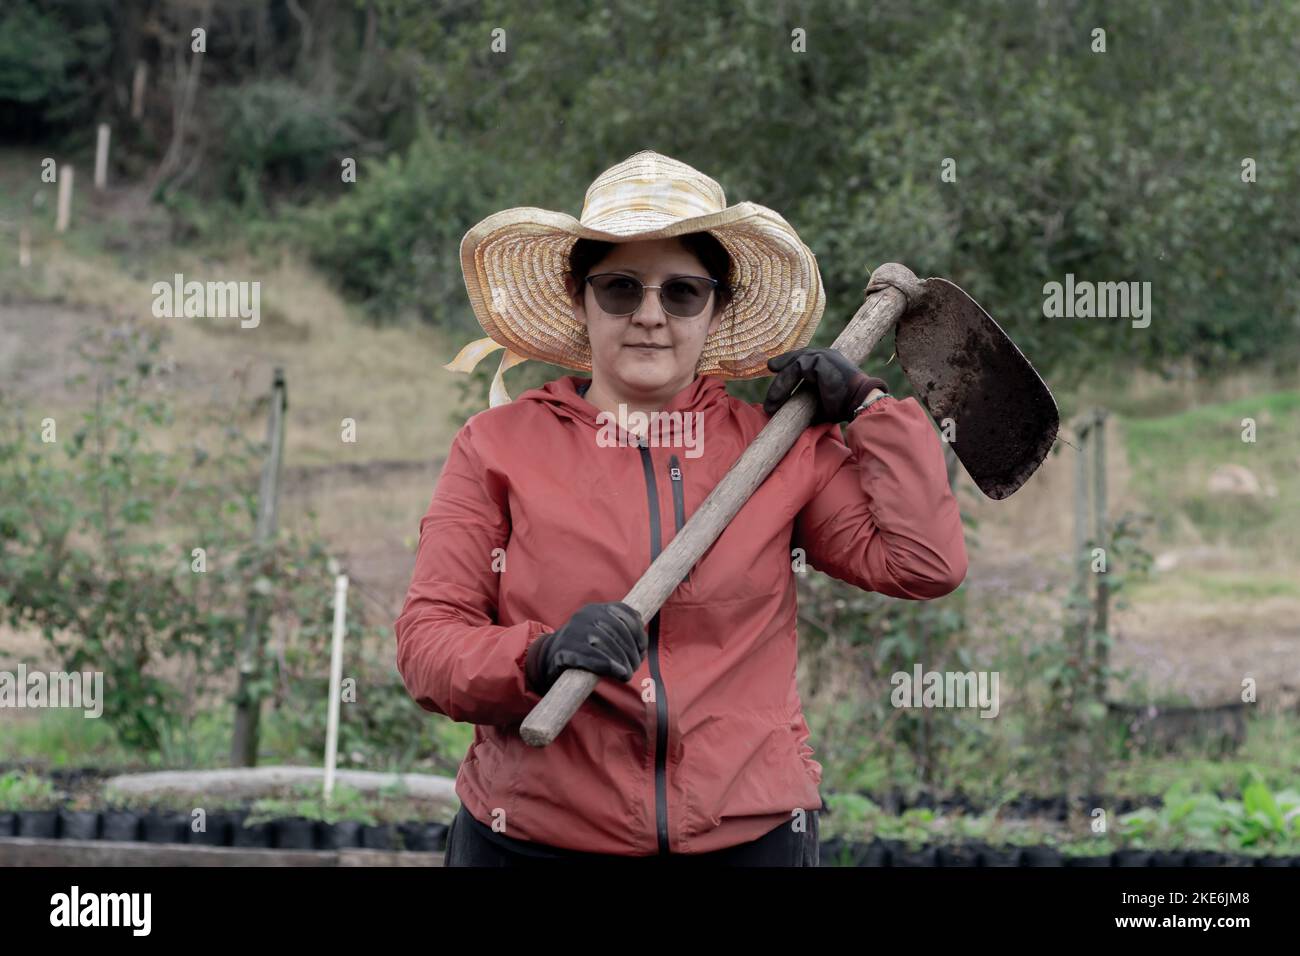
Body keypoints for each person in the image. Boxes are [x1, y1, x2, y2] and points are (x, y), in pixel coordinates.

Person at [395, 149, 967, 865]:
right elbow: (428, 646)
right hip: (535, 841)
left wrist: (868, 406)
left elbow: (924, 562)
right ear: (580, 298)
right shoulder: (497, 447)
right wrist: (536, 655)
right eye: (619, 289)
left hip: (748, 842)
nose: (649, 317)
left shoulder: (775, 448)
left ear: (717, 307)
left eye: (682, 293)